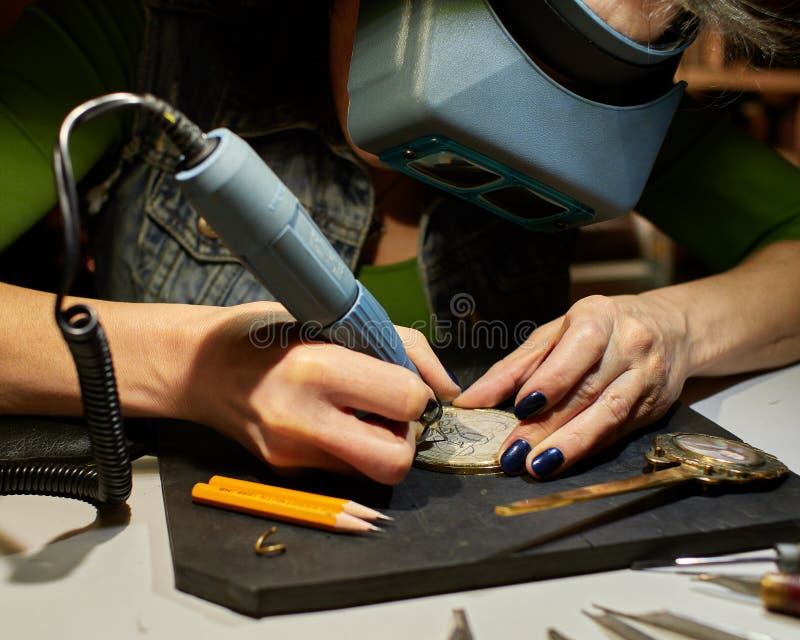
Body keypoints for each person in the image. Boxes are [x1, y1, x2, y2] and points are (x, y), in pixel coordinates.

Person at [0, 0, 798, 486]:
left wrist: (677, 330)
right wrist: (185, 367)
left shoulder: (627, 109)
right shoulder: (146, 37)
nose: (527, 130)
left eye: (584, 92)